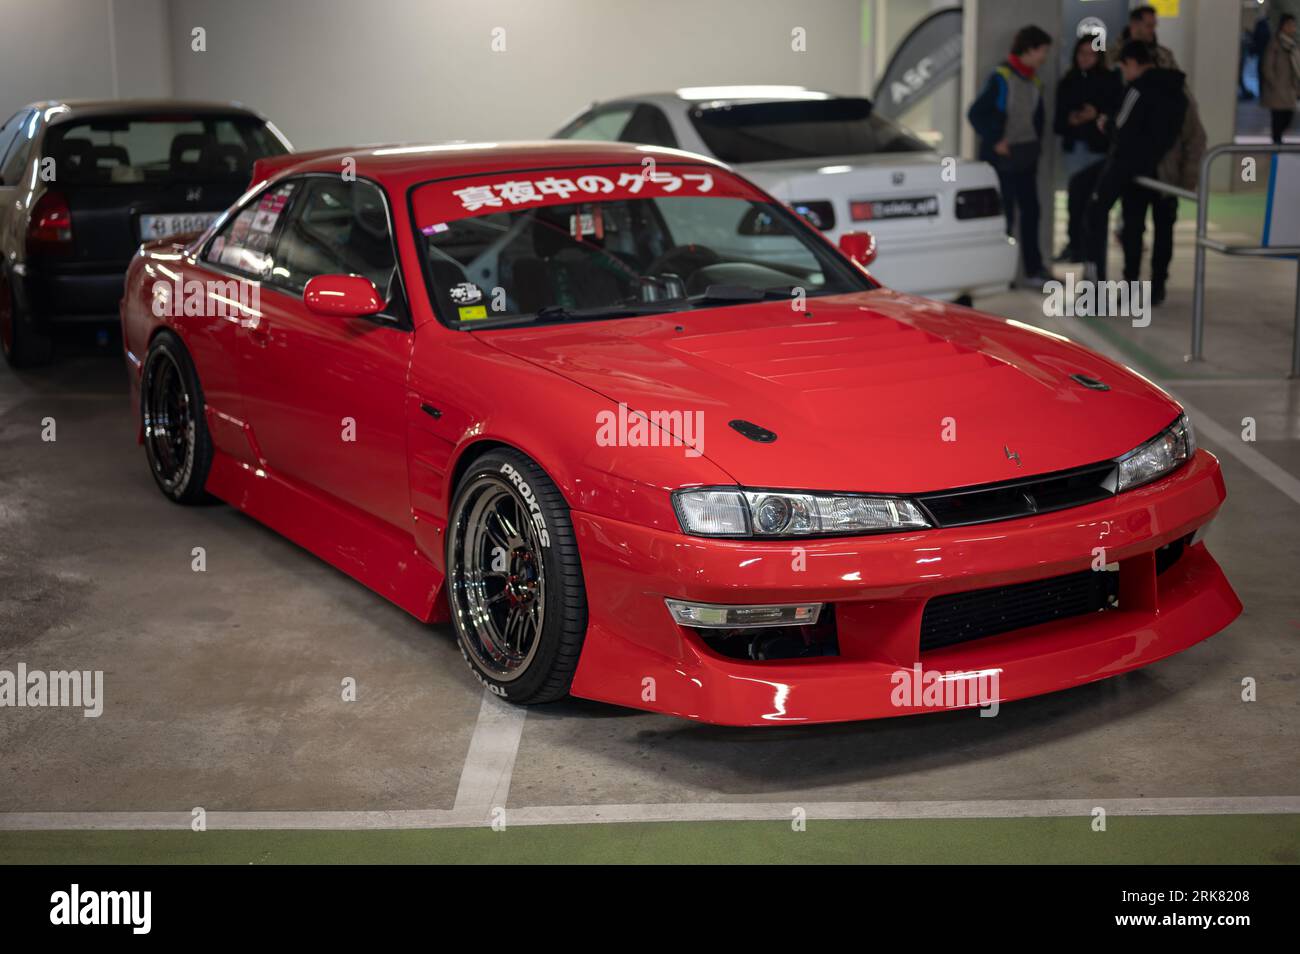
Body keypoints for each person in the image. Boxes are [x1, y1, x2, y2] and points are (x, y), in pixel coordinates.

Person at [1082, 41, 1188, 297]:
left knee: (1125, 222)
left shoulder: (1138, 89)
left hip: (1131, 167)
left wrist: (1106, 125)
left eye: (1123, 67)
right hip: (1165, 170)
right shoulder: (1178, 92)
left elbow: (1122, 128)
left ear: (1132, 63)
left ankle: (1120, 285)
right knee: (1163, 229)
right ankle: (1158, 286)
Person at [968, 24, 1055, 287]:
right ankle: (1002, 275)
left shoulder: (1035, 82)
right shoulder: (1001, 78)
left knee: (1032, 212)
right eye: (1042, 51)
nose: (1045, 57)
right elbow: (975, 113)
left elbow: (1037, 121)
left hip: (1026, 157)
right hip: (1003, 159)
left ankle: (1033, 270)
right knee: (1004, 217)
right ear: (1029, 49)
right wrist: (995, 141)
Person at [1054, 35, 1123, 262]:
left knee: (1094, 202)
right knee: (1075, 200)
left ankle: (1091, 249)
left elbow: (1116, 113)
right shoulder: (1068, 81)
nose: (1085, 58)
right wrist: (1072, 119)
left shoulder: (1110, 81)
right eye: (1081, 53)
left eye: (1090, 54)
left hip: (1099, 150)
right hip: (1076, 148)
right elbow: (1058, 120)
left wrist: (1097, 115)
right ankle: (1076, 244)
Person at [1261, 14, 1300, 144]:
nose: (1292, 28)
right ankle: (1276, 144)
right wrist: (1274, 82)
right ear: (1283, 26)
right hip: (1277, 90)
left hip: (1290, 89)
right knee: (1278, 118)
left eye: (1293, 25)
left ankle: (1277, 143)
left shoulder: (1293, 45)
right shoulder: (1275, 44)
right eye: (1290, 25)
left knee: (1288, 116)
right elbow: (1267, 66)